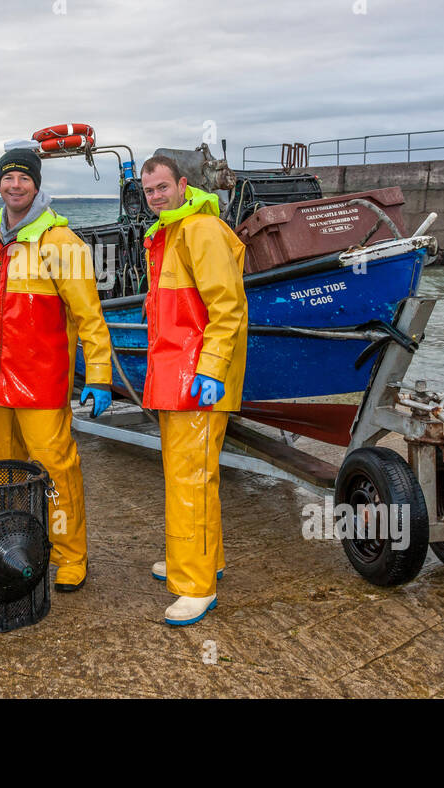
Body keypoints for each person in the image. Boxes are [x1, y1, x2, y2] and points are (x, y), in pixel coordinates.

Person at [0, 141, 113, 591]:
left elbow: (89, 316)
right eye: (8, 177)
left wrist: (100, 376)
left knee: (55, 470)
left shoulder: (61, 242)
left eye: (24, 178)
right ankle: (3, 546)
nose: (16, 185)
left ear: (36, 185)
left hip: (41, 385)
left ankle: (71, 556)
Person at [139, 153, 248, 626]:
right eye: (148, 191)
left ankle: (195, 585)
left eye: (162, 187)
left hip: (194, 378)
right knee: (193, 475)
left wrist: (212, 370)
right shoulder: (170, 234)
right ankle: (203, 559)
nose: (156, 196)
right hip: (173, 374)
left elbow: (227, 306)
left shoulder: (200, 231)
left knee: (189, 480)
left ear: (183, 185)